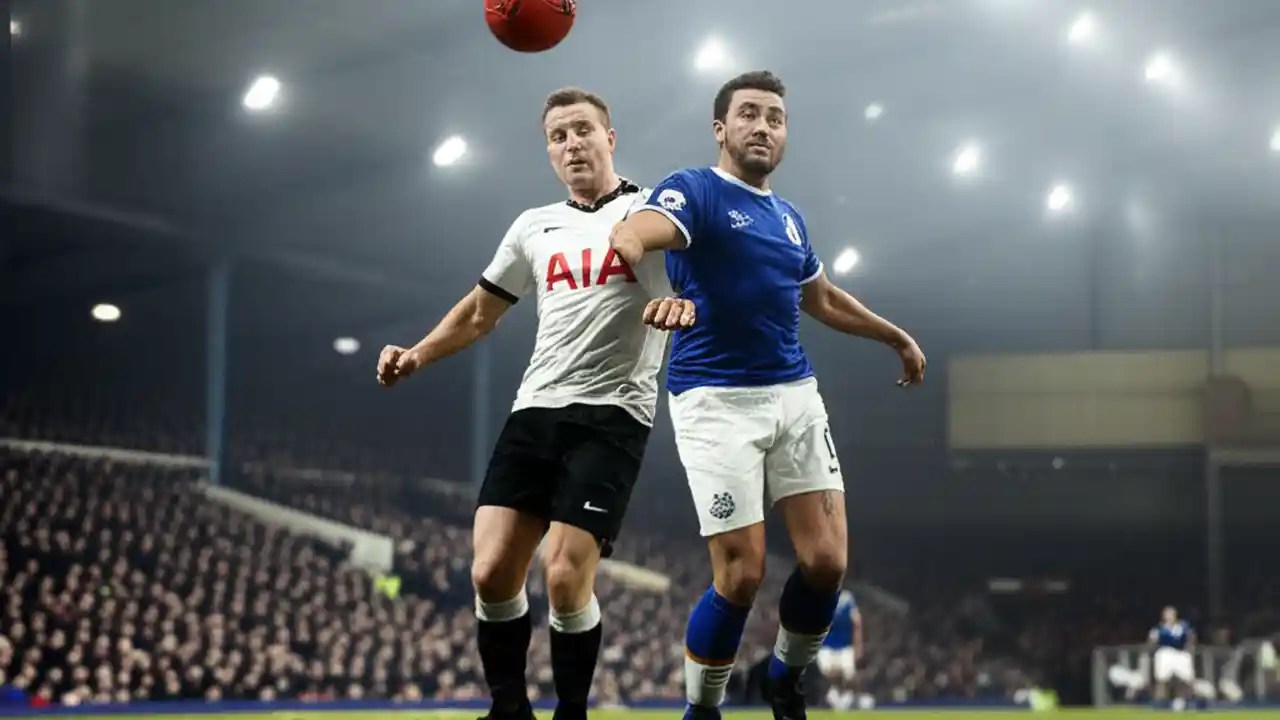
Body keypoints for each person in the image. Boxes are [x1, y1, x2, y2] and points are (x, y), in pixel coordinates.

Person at [610, 70, 926, 720]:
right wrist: (657, 289)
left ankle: (785, 676)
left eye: (775, 117)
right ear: (721, 128)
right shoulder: (693, 189)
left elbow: (824, 299)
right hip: (715, 401)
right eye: (749, 113)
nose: (763, 126)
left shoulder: (788, 218)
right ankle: (702, 711)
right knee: (741, 576)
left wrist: (894, 336)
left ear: (785, 135)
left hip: (794, 394)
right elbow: (634, 232)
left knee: (828, 563)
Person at [377, 87, 693, 720]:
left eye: (582, 130)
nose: (571, 143)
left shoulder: (654, 213)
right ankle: (509, 709)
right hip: (535, 411)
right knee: (490, 571)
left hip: (612, 416)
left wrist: (690, 305)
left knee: (564, 576)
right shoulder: (533, 225)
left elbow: (704, 284)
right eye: (558, 136)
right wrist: (417, 353)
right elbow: (478, 314)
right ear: (549, 152)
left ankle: (571, 712)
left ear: (611, 137)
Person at [816, 589, 862, 709]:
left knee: (850, 675)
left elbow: (857, 622)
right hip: (826, 646)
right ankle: (833, 696)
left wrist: (858, 645)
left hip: (845, 646)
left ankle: (846, 698)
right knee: (826, 672)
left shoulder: (848, 598)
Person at [1147, 605, 1196, 709]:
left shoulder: (1183, 626)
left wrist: (1189, 649)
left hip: (1180, 653)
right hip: (1165, 653)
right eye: (1167, 614)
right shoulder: (1159, 629)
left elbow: (1191, 638)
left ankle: (1185, 700)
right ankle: (1160, 703)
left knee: (1187, 679)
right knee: (1162, 679)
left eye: (1171, 614)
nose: (1169, 616)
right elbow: (1151, 641)